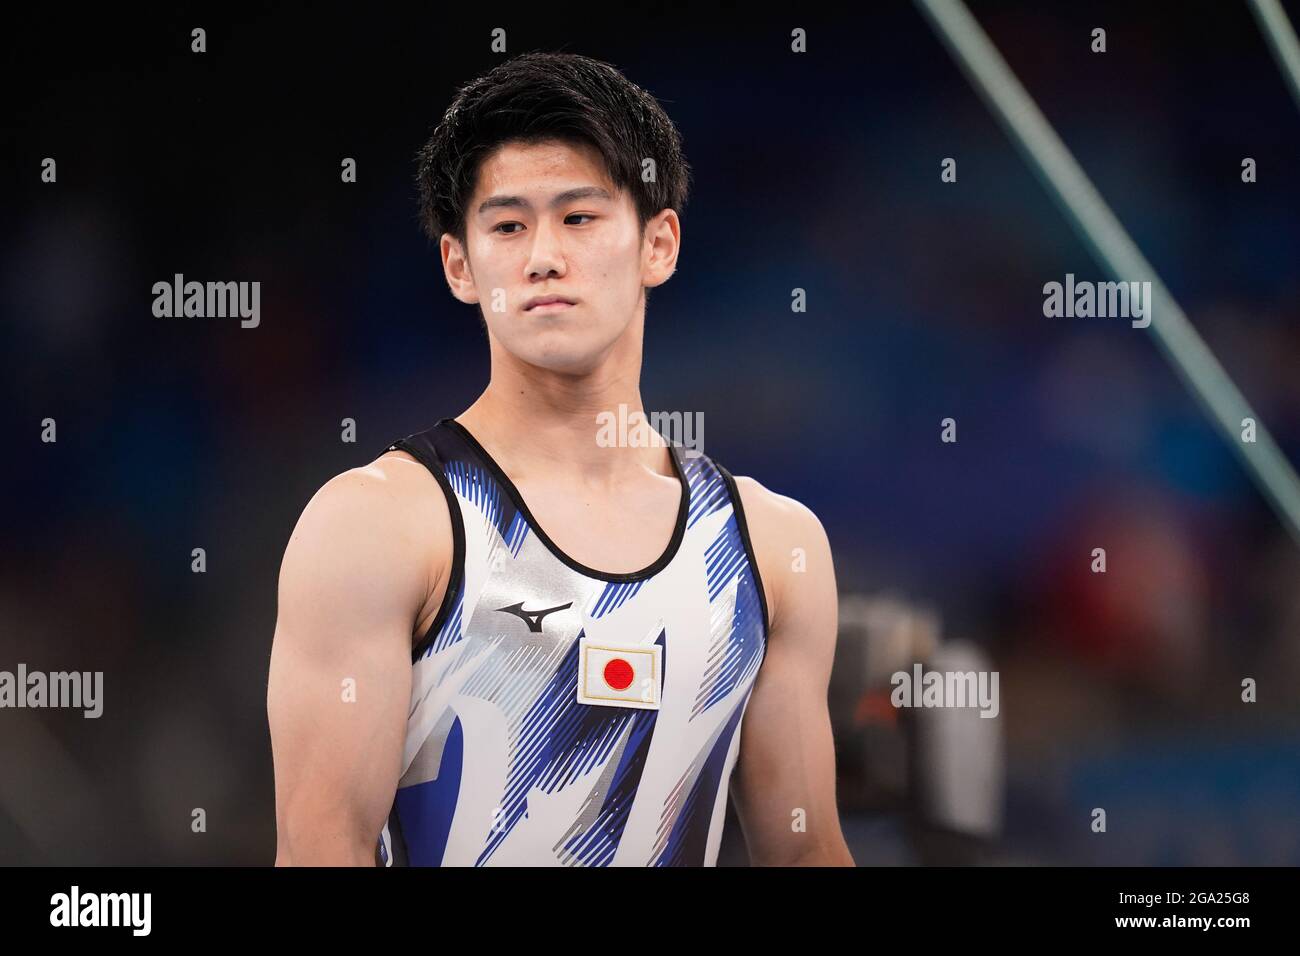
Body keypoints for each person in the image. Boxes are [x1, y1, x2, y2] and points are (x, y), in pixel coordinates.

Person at [268, 51, 853, 866]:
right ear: (460, 266)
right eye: (508, 225)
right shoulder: (380, 525)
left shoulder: (773, 548)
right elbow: (318, 850)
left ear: (659, 245)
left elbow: (807, 853)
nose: (543, 256)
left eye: (579, 218)